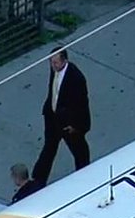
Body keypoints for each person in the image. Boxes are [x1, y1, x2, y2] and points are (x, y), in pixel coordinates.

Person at [33, 47, 92, 186]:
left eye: (56, 63)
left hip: (68, 123)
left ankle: (85, 176)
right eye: (51, 62)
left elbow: (82, 105)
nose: (53, 66)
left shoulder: (76, 78)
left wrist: (77, 126)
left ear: (65, 60)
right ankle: (38, 181)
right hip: (53, 118)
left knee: (79, 151)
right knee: (49, 148)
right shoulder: (55, 71)